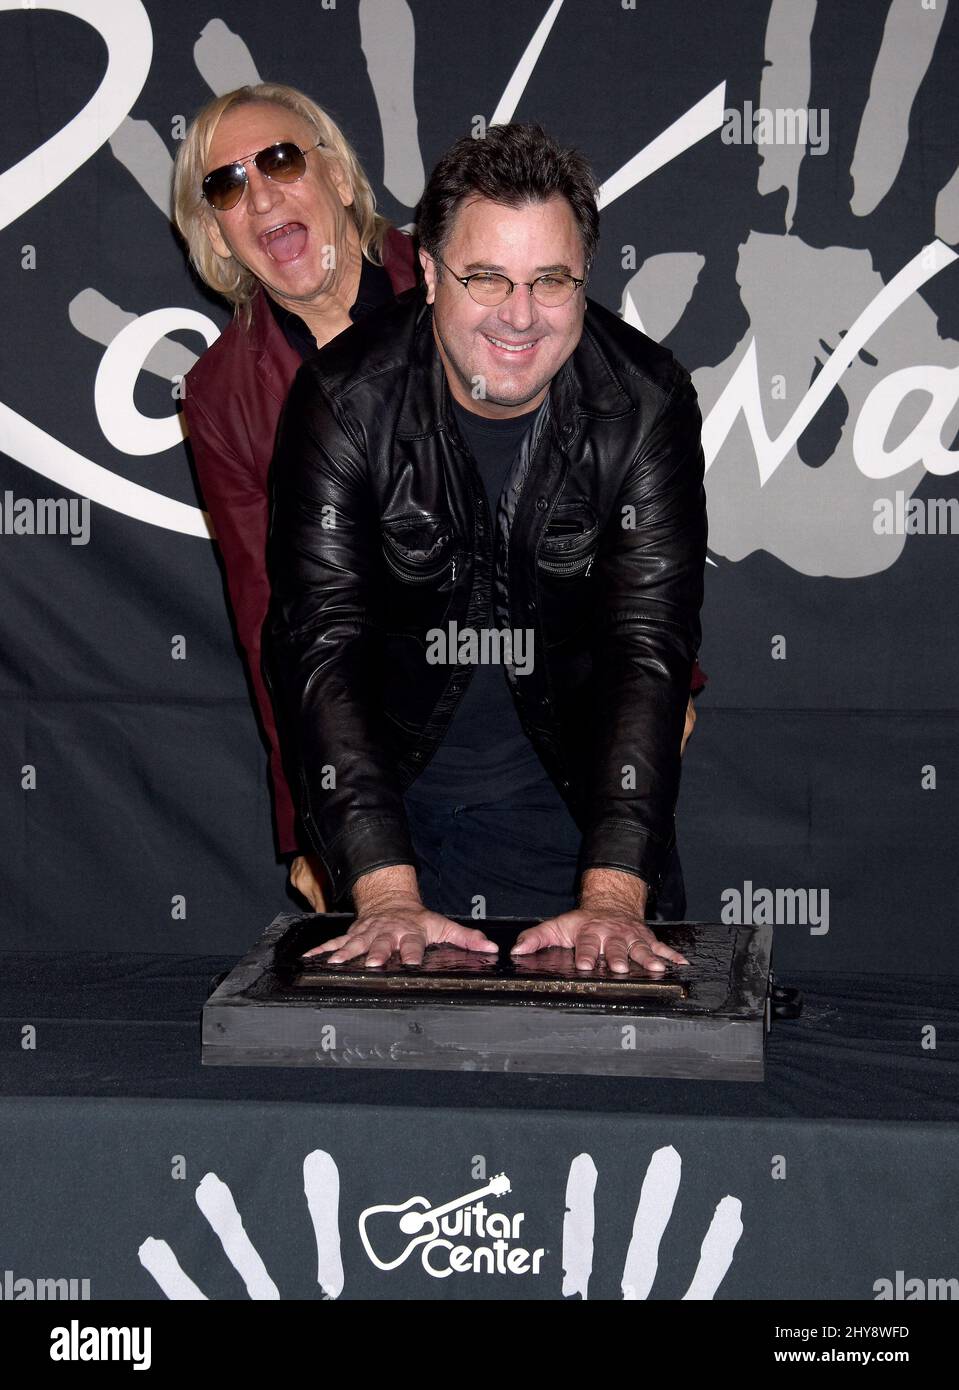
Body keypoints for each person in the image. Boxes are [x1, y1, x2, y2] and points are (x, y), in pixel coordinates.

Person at [264, 122, 707, 975]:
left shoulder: (646, 403)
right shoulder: (343, 401)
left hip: (580, 818)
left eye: (550, 280)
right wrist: (382, 889)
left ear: (584, 279)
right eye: (486, 277)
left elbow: (649, 648)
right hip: (390, 819)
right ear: (429, 274)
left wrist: (613, 895)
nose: (518, 314)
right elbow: (320, 645)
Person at [172, 83, 419, 912]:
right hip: (381, 750)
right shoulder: (220, 394)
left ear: (340, 179)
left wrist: (661, 687)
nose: (259, 192)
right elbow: (270, 622)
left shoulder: (469, 276)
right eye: (226, 185)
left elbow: (608, 490)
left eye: (278, 159)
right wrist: (313, 822)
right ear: (218, 232)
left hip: (544, 711)